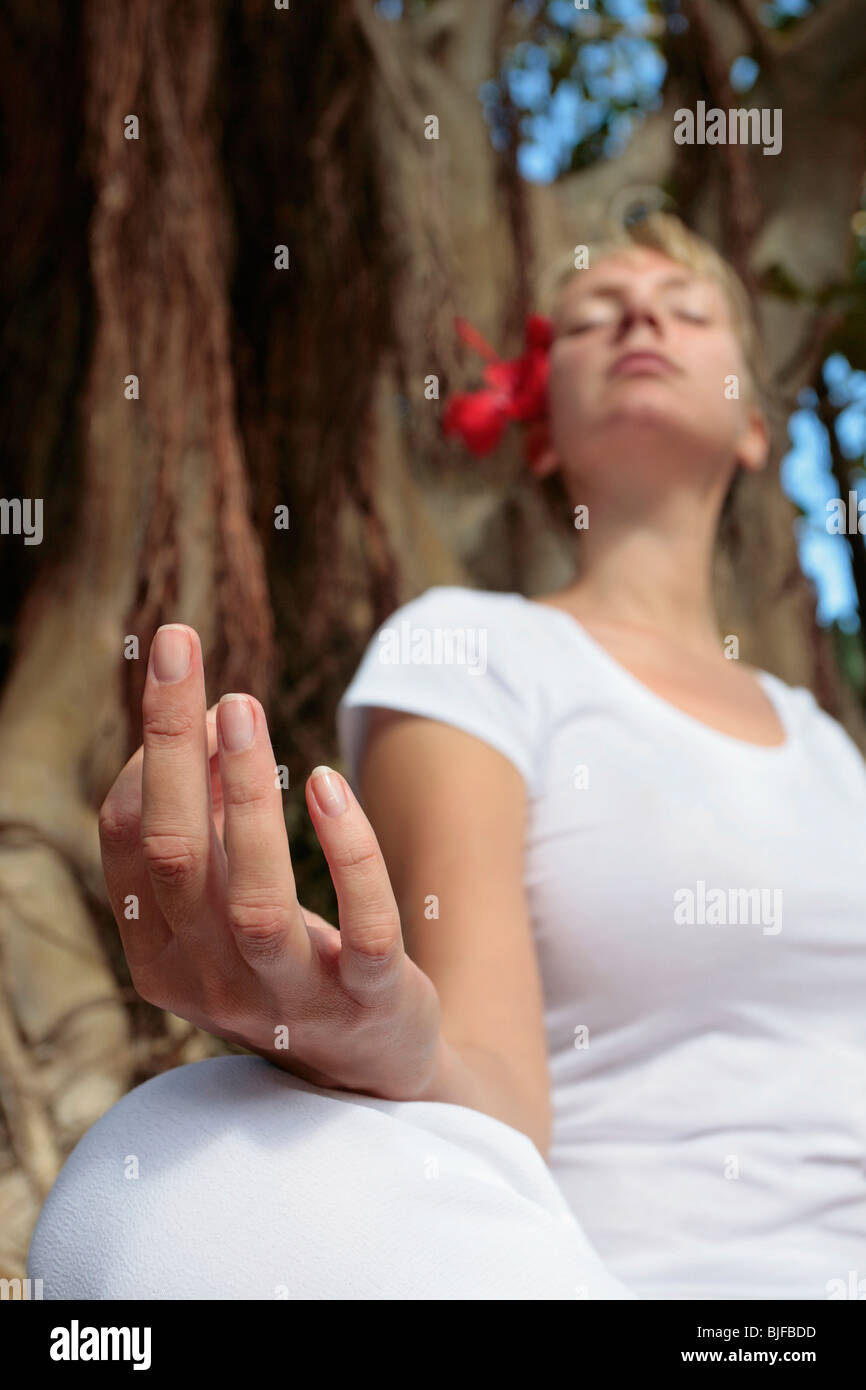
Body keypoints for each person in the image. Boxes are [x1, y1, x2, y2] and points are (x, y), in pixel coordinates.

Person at [28, 215, 866, 1301]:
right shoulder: (469, 650)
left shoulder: (827, 749)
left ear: (752, 425)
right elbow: (496, 1087)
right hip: (590, 1282)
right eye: (592, 317)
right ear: (541, 434)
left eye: (688, 308)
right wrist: (390, 1041)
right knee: (179, 1163)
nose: (642, 319)